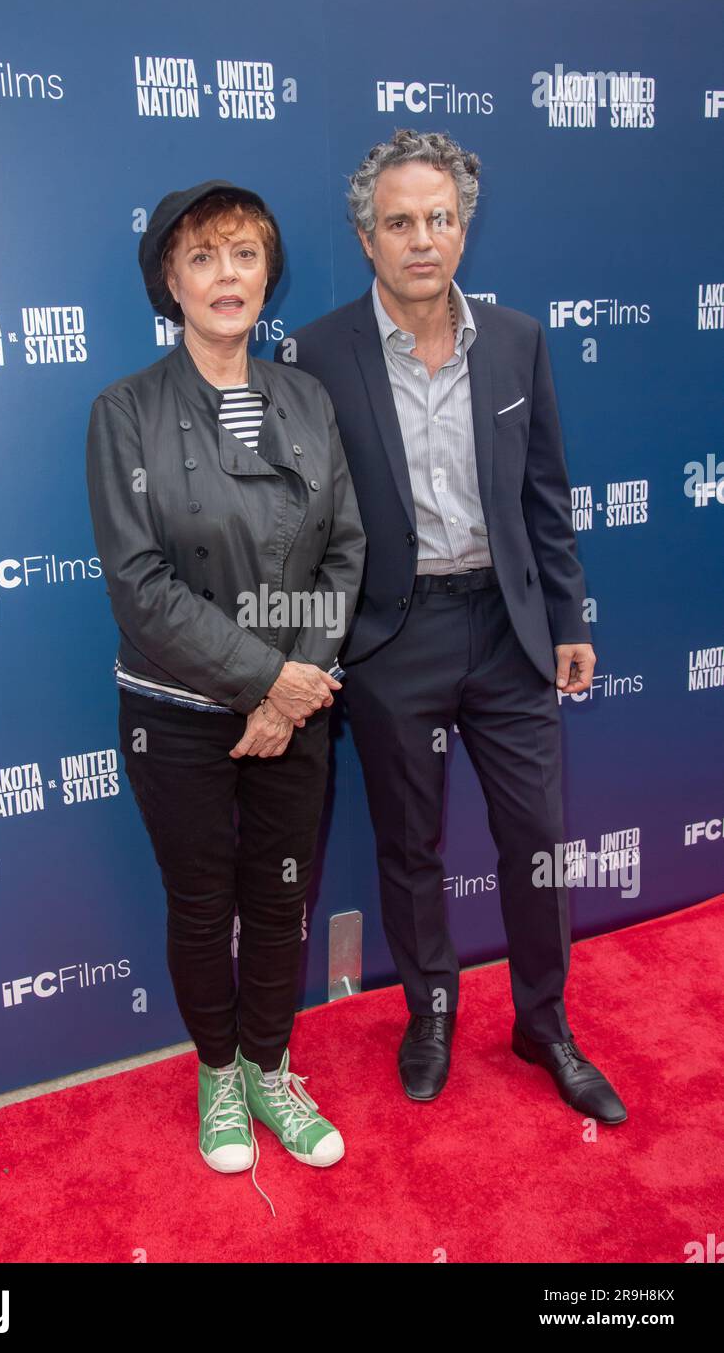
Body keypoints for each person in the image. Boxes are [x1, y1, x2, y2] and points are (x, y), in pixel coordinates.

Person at [277, 130, 627, 1125]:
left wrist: (567, 615)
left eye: (437, 219)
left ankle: (544, 1022)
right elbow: (302, 521)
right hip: (392, 637)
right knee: (409, 844)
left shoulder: (515, 339)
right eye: (398, 223)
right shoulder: (315, 355)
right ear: (365, 237)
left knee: (537, 837)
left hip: (508, 629)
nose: (420, 239)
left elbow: (544, 496)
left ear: (461, 232)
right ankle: (427, 1012)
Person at [86, 180, 366, 1203]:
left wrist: (290, 692)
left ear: (266, 272)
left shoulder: (303, 399)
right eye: (201, 257)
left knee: (281, 899)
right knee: (204, 906)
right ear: (168, 278)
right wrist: (266, 677)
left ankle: (268, 1067)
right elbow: (140, 586)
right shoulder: (125, 412)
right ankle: (215, 1075)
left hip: (293, 706)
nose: (226, 276)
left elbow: (346, 546)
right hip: (179, 710)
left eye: (243, 254)